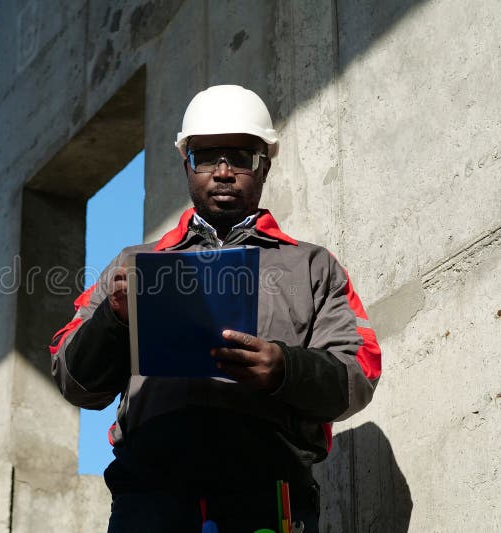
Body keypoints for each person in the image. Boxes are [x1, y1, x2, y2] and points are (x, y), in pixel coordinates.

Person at [50, 85, 382, 533]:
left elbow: (358, 371)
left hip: (268, 497)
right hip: (152, 500)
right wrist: (114, 318)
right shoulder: (132, 269)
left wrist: (284, 367)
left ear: (263, 166)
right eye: (206, 157)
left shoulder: (312, 267)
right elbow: (74, 381)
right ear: (186, 164)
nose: (223, 172)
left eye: (241, 157)